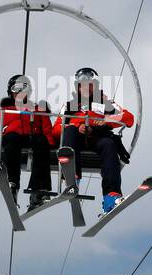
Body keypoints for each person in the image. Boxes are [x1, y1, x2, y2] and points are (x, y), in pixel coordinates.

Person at [55, 67, 135, 212]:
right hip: (76, 139)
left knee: (109, 144)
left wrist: (106, 121)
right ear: (77, 87)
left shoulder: (106, 103)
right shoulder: (69, 106)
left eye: (90, 84)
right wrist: (77, 125)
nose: (86, 88)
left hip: (97, 137)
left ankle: (111, 196)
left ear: (95, 85)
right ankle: (72, 179)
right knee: (70, 130)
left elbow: (128, 118)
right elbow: (56, 128)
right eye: (82, 84)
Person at [0, 74, 57, 209]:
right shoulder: (6, 111)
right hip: (14, 139)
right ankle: (12, 182)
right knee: (11, 138)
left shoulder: (38, 109)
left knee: (41, 141)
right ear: (11, 92)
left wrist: (50, 144)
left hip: (32, 137)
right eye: (16, 90)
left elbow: (46, 130)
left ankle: (38, 189)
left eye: (23, 89)